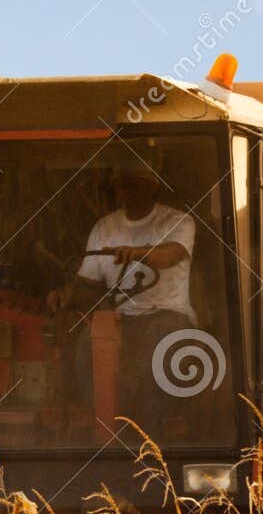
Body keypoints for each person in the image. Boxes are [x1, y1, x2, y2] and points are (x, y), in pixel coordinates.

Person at [47, 148, 198, 429]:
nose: (128, 193)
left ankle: (152, 429)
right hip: (122, 317)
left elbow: (170, 256)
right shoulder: (104, 228)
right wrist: (66, 295)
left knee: (161, 345)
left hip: (167, 313)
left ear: (152, 187)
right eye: (122, 187)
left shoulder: (178, 222)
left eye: (135, 186)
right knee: (86, 346)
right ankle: (105, 422)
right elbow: (88, 287)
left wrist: (138, 253)